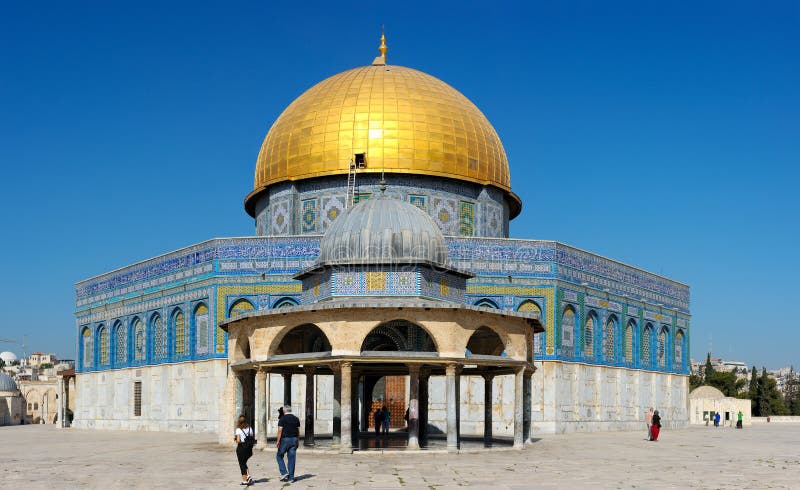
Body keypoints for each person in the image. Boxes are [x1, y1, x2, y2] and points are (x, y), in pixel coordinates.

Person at [276, 404, 301, 483]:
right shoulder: (296, 418)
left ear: (284, 411)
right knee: (292, 458)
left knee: (279, 456)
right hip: (294, 439)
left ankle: (284, 473)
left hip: (285, 440)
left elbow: (280, 431)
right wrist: (298, 440)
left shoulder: (282, 419)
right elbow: (298, 431)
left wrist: (278, 441)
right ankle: (291, 478)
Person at [234, 415, 255, 486]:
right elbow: (251, 437)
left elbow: (238, 440)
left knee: (242, 464)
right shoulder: (250, 428)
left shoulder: (238, 429)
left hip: (241, 449)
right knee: (244, 463)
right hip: (249, 449)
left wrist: (236, 439)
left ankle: (245, 480)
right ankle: (248, 476)